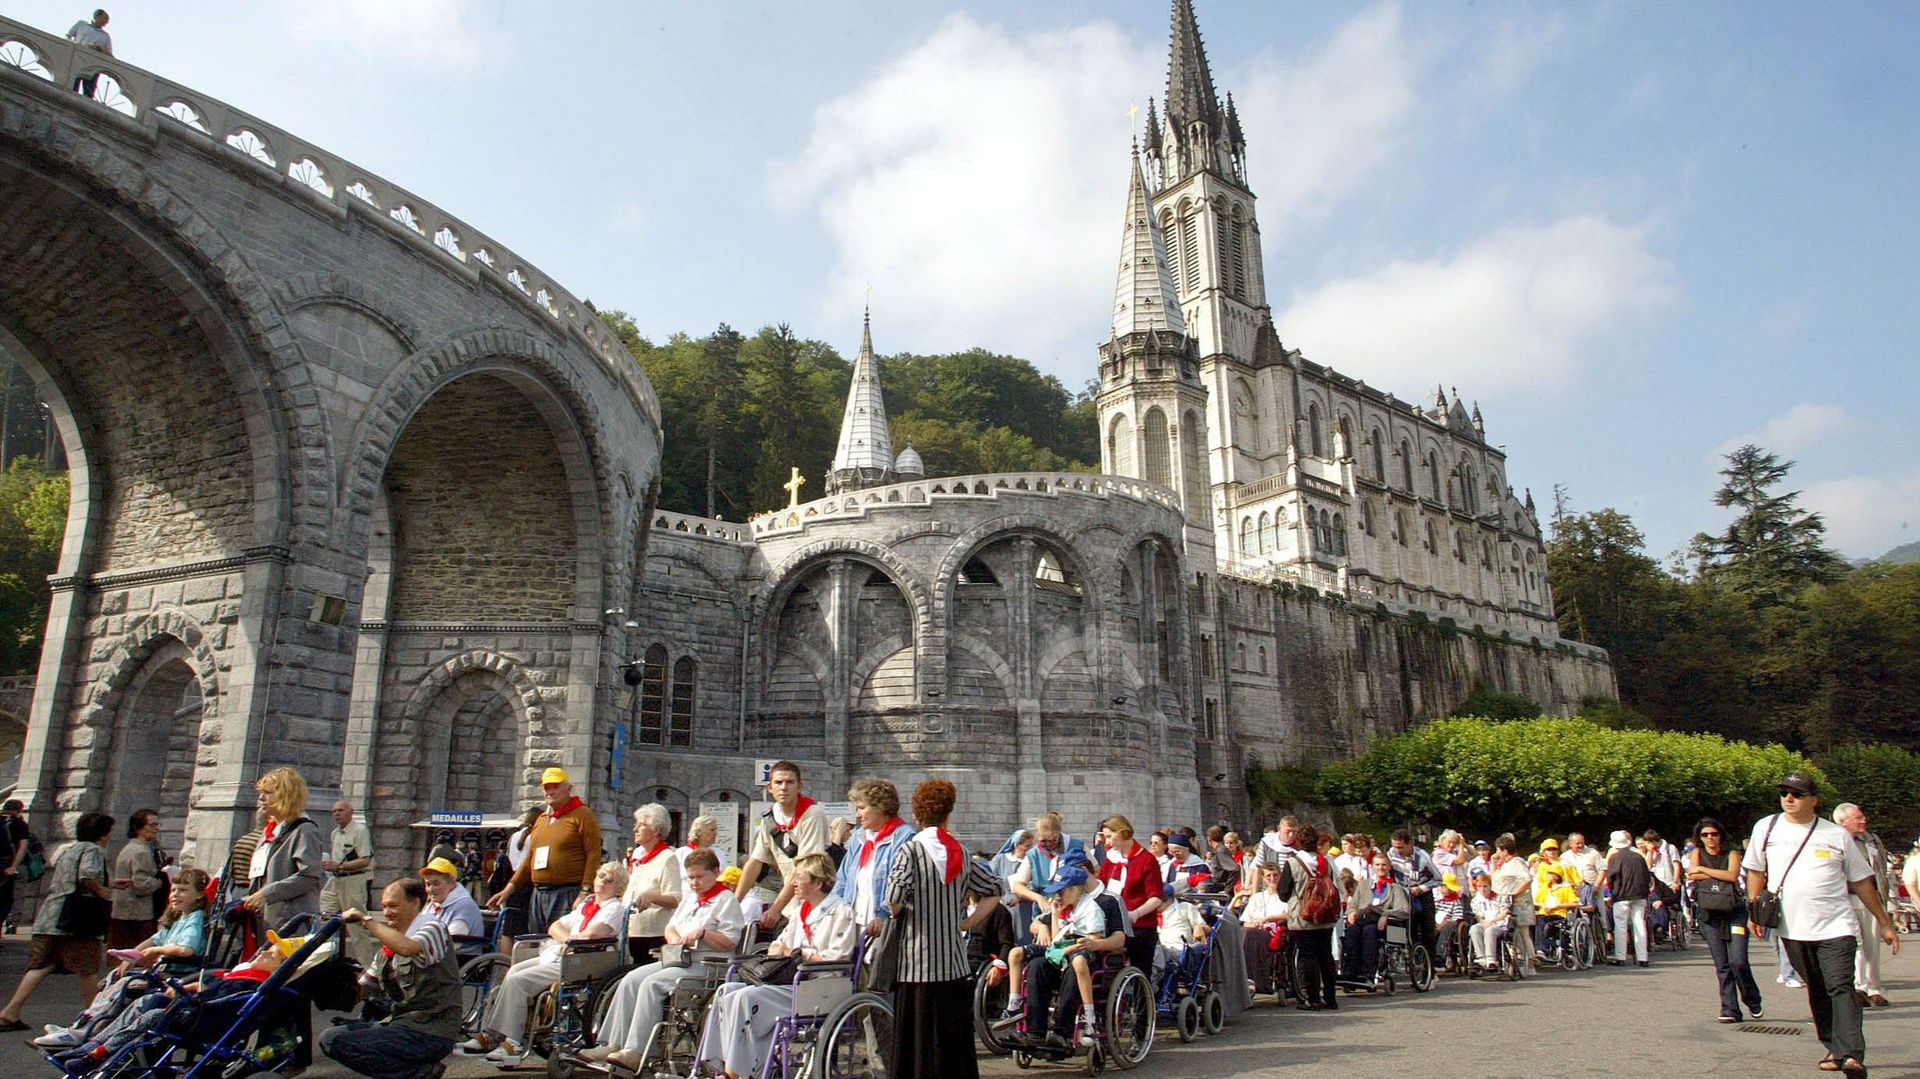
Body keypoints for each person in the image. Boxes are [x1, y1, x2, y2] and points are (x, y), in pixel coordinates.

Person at [1745, 773, 1900, 1079]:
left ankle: (1852, 1055)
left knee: (1841, 986)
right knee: (1817, 989)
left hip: (1836, 926)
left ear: (1813, 800)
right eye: (1784, 792)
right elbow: (1755, 871)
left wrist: (1885, 923)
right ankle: (1833, 1047)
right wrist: (1755, 911)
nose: (1789, 798)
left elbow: (1862, 881)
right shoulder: (1767, 827)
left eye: (1797, 793)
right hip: (1791, 928)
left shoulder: (1835, 835)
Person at [694, 853, 855, 1079]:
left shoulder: (841, 912)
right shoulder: (801, 912)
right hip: (790, 980)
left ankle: (738, 1072)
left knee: (747, 997)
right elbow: (779, 944)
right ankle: (717, 1063)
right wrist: (784, 950)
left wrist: (801, 954)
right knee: (726, 991)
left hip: (818, 985)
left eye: (799, 877)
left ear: (818, 882)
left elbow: (837, 957)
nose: (793, 883)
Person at [578, 849, 737, 1072]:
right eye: (690, 877)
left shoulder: (725, 900)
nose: (694, 883)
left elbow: (731, 940)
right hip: (680, 957)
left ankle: (636, 1050)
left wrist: (703, 934)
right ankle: (612, 1042)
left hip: (708, 963)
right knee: (631, 978)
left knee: (652, 984)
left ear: (716, 872)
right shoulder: (691, 899)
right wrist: (673, 938)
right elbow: (671, 926)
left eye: (700, 877)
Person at [885, 779, 1002, 1079]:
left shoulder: (909, 851)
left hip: (916, 963)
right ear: (948, 815)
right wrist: (967, 922)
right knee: (952, 1041)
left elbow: (894, 902)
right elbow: (994, 889)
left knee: (917, 1040)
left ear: (917, 815)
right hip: (952, 962)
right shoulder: (961, 853)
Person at [460, 861, 629, 1065]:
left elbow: (593, 935)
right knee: (513, 971)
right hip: (564, 953)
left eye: (609, 880)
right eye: (600, 876)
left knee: (519, 981)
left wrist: (569, 939)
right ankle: (492, 1034)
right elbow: (555, 926)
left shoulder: (614, 908)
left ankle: (512, 1043)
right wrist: (568, 939)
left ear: (619, 887)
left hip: (583, 960)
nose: (602, 882)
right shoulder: (587, 906)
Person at [31, 867, 210, 1051]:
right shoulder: (179, 917)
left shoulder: (194, 919)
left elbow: (186, 949)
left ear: (198, 895)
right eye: (173, 889)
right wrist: (130, 957)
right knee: (113, 979)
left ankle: (82, 1032)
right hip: (164, 972)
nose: (175, 894)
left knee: (123, 985)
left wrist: (155, 951)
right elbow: (153, 939)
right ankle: (83, 1026)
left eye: (183, 890)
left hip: (176, 975)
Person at [322, 878, 464, 1079]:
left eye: (393, 906)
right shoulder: (386, 951)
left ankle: (418, 1074)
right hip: (401, 1025)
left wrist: (366, 920)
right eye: (384, 907)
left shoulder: (433, 928)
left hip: (432, 1030)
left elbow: (407, 948)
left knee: (344, 1043)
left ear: (415, 902)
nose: (387, 912)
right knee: (330, 1038)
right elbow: (361, 991)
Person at [0, 811, 115, 1031]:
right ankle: (94, 1017)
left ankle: (10, 1011)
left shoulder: (70, 850)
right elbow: (87, 876)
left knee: (42, 964)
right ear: (102, 834)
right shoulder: (93, 850)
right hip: (76, 921)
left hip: (51, 917)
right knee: (88, 967)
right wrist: (103, 893)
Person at [1008, 864, 1123, 1049]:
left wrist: (1084, 947)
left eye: (1061, 891)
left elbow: (1102, 941)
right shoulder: (1063, 907)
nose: (1058, 896)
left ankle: (1062, 1032)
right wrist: (1052, 917)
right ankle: (1035, 1031)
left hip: (1085, 957)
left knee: (1074, 967)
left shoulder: (1099, 905)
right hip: (1061, 952)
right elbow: (1053, 938)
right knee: (1037, 965)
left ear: (1074, 889)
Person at [486, 767, 602, 937]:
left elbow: (593, 854)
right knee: (537, 941)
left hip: (568, 892)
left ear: (568, 789)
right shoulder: (541, 820)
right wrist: (509, 888)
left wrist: (584, 890)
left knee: (561, 940)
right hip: (539, 893)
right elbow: (529, 860)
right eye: (547, 787)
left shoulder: (582, 814)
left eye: (555, 786)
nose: (550, 791)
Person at [733, 760, 826, 930]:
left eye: (790, 782)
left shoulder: (812, 814)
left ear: (799, 786)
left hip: (816, 899)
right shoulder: (770, 818)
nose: (784, 787)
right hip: (791, 900)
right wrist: (733, 904)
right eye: (778, 782)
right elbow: (755, 862)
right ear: (770, 788)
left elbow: (804, 866)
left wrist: (775, 909)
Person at [1687, 817, 1762, 1023]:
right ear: (1699, 838)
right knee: (1722, 964)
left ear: (1721, 835)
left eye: (1714, 834)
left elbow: (1732, 875)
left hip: (1735, 912)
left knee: (1738, 961)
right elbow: (1691, 874)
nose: (1710, 838)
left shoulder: (1732, 853)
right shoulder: (1696, 853)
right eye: (1705, 835)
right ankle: (1730, 1009)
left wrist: (1703, 870)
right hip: (1710, 915)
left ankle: (1752, 998)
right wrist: (1707, 872)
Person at [244, 767, 326, 931]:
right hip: (265, 920)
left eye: (267, 792)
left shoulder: (305, 830)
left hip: (290, 923)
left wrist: (267, 893)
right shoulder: (270, 832)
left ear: (286, 796)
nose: (261, 798)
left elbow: (309, 876)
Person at [832, 777, 913, 939]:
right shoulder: (859, 837)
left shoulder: (904, 836)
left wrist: (883, 915)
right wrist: (833, 910)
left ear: (880, 807)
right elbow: (843, 879)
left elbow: (899, 883)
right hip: (852, 923)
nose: (858, 814)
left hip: (882, 926)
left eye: (862, 808)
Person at [1833, 803, 1891, 1008]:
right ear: (1842, 822)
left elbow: (1881, 869)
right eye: (1858, 818)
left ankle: (1874, 988)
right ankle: (1860, 987)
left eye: (1862, 816)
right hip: (1844, 898)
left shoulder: (1871, 839)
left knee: (1872, 944)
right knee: (1854, 944)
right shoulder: (1833, 840)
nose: (1863, 820)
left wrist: (1884, 898)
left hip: (1870, 898)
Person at [1094, 815, 1162, 974]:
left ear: (1123, 833)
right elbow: (1100, 887)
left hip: (1140, 926)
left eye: (1110, 837)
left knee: (1140, 970)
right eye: (1105, 837)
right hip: (1113, 925)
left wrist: (1136, 914)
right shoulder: (1111, 859)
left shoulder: (1147, 860)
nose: (1107, 841)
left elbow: (1156, 897)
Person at [622, 803, 683, 962]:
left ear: (656, 830)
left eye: (641, 825)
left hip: (654, 933)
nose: (635, 829)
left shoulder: (667, 857)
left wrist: (652, 896)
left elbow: (676, 898)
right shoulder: (638, 853)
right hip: (631, 929)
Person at [1341, 849, 1409, 984]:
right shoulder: (1364, 885)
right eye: (1377, 865)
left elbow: (1403, 910)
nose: (1381, 868)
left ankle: (1368, 973)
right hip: (1363, 919)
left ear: (1389, 867)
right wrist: (1351, 913)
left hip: (1383, 923)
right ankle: (1349, 972)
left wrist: (1385, 915)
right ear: (1373, 867)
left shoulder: (1395, 888)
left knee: (1369, 931)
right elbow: (1353, 905)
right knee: (1352, 931)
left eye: (1384, 865)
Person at [107, 809, 163, 950]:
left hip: (123, 910)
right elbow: (141, 884)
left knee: (120, 953)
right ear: (138, 828)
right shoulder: (141, 852)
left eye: (157, 825)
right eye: (152, 825)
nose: (156, 829)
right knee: (137, 955)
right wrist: (160, 882)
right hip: (137, 913)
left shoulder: (130, 848)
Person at [491, 807, 540, 945]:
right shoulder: (536, 837)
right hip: (528, 881)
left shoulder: (515, 836)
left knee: (509, 929)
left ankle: (507, 963)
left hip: (511, 881)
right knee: (524, 929)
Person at [1238, 862, 1288, 996]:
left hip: (1274, 932)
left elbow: (1289, 914)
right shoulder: (1256, 898)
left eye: (1275, 875)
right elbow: (1245, 922)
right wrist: (1255, 924)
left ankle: (1256, 982)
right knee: (1247, 933)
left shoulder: (1286, 897)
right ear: (1264, 879)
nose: (1272, 879)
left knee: (1252, 935)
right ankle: (1246, 980)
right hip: (1254, 932)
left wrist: (1268, 919)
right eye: (1269, 876)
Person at [1604, 828, 1652, 967]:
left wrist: (1612, 892)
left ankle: (1621, 957)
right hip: (1640, 894)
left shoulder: (1615, 857)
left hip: (1622, 895)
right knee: (1639, 924)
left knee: (1620, 926)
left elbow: (1611, 877)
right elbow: (1646, 875)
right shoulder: (1638, 856)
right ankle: (1643, 957)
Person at [419, 857, 485, 957]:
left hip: (457, 960)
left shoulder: (464, 905)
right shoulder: (434, 903)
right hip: (432, 954)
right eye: (428, 884)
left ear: (452, 884)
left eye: (436, 883)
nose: (431, 889)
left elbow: (451, 944)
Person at [322, 801, 376, 917]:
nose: (337, 814)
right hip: (335, 880)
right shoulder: (335, 833)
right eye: (334, 811)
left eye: (341, 810)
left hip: (353, 880)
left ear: (351, 812)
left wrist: (340, 866)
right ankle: (327, 934)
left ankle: (358, 935)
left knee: (354, 919)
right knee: (326, 914)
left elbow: (365, 860)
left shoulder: (359, 831)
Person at [0, 799, 34, 933]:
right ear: (19, 810)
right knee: (6, 900)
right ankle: (11, 923)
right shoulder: (19, 824)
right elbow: (23, 846)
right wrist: (14, 866)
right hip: (7, 867)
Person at [1468, 872, 1511, 970]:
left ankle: (1491, 959)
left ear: (1490, 886)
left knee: (1490, 930)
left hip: (1499, 924)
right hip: (1484, 923)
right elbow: (1478, 916)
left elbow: (1505, 912)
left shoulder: (1500, 897)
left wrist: (1493, 921)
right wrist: (1484, 922)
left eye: (1485, 886)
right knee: (1474, 928)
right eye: (1479, 886)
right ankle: (1481, 957)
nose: (1482, 889)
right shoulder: (1475, 901)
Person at [64, 9, 111, 98]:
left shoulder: (105, 36)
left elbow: (109, 55)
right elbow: (68, 36)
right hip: (77, 60)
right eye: (105, 19)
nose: (106, 22)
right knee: (71, 89)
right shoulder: (82, 25)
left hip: (93, 66)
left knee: (88, 95)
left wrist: (99, 49)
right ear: (97, 17)